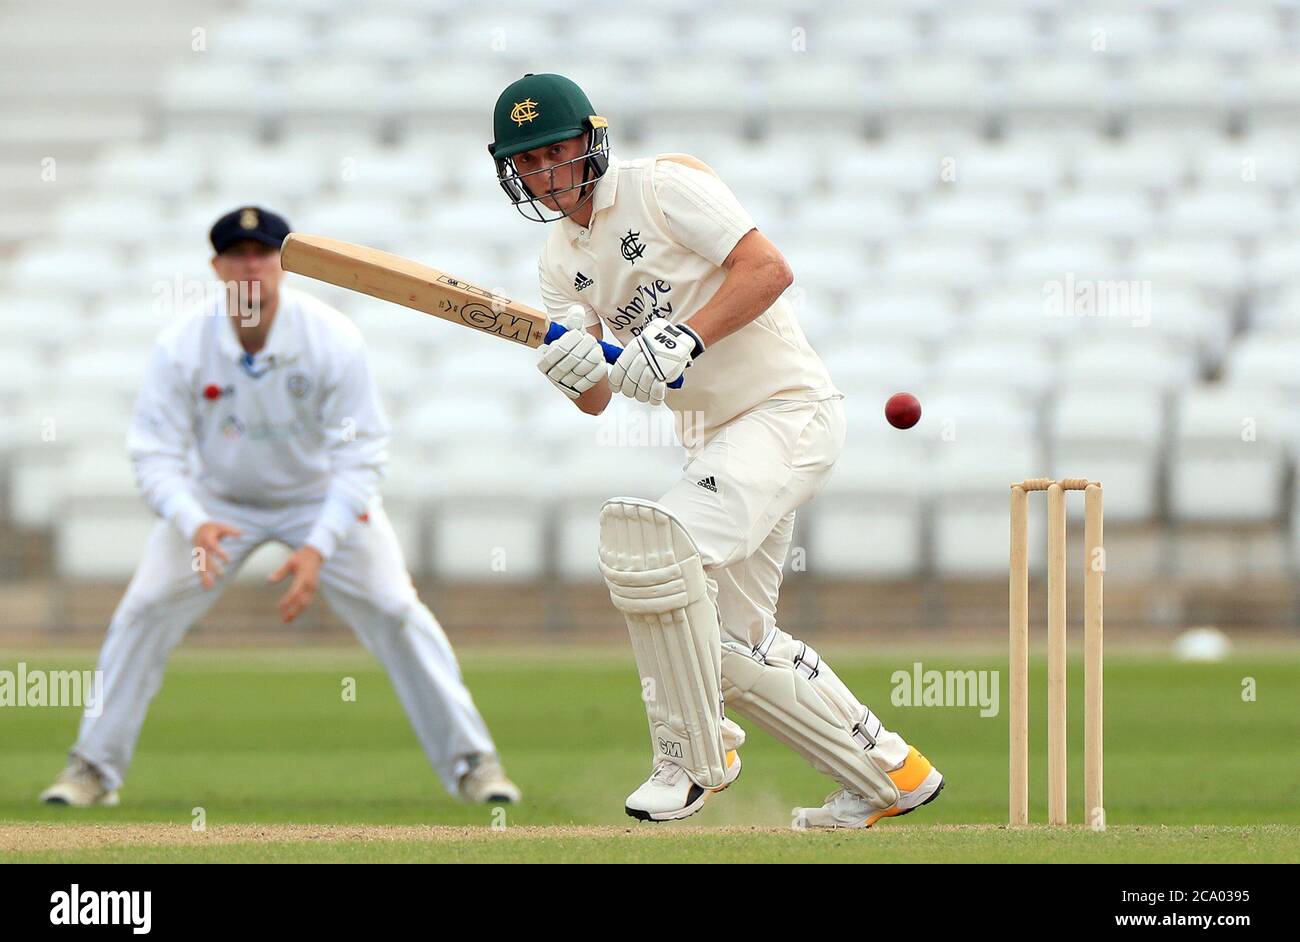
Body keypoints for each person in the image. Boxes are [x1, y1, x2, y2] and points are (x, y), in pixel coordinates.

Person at [490, 74, 943, 827]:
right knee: (729, 648)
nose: (545, 174)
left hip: (784, 411)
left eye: (557, 152)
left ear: (590, 142)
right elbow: (600, 394)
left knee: (655, 549)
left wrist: (687, 332)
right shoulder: (556, 263)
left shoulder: (664, 186)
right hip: (715, 440)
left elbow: (768, 269)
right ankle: (888, 772)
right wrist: (575, 375)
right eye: (527, 163)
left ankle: (692, 757)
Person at [40, 207, 519, 807]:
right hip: (218, 502)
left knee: (397, 611)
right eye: (236, 255)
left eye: (262, 254)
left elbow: (362, 454)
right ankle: (91, 769)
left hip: (320, 499)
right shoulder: (182, 345)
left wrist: (319, 544)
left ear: (282, 265)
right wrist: (195, 522)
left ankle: (473, 764)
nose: (250, 267)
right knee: (144, 609)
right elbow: (153, 453)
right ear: (216, 267)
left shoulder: (332, 337)